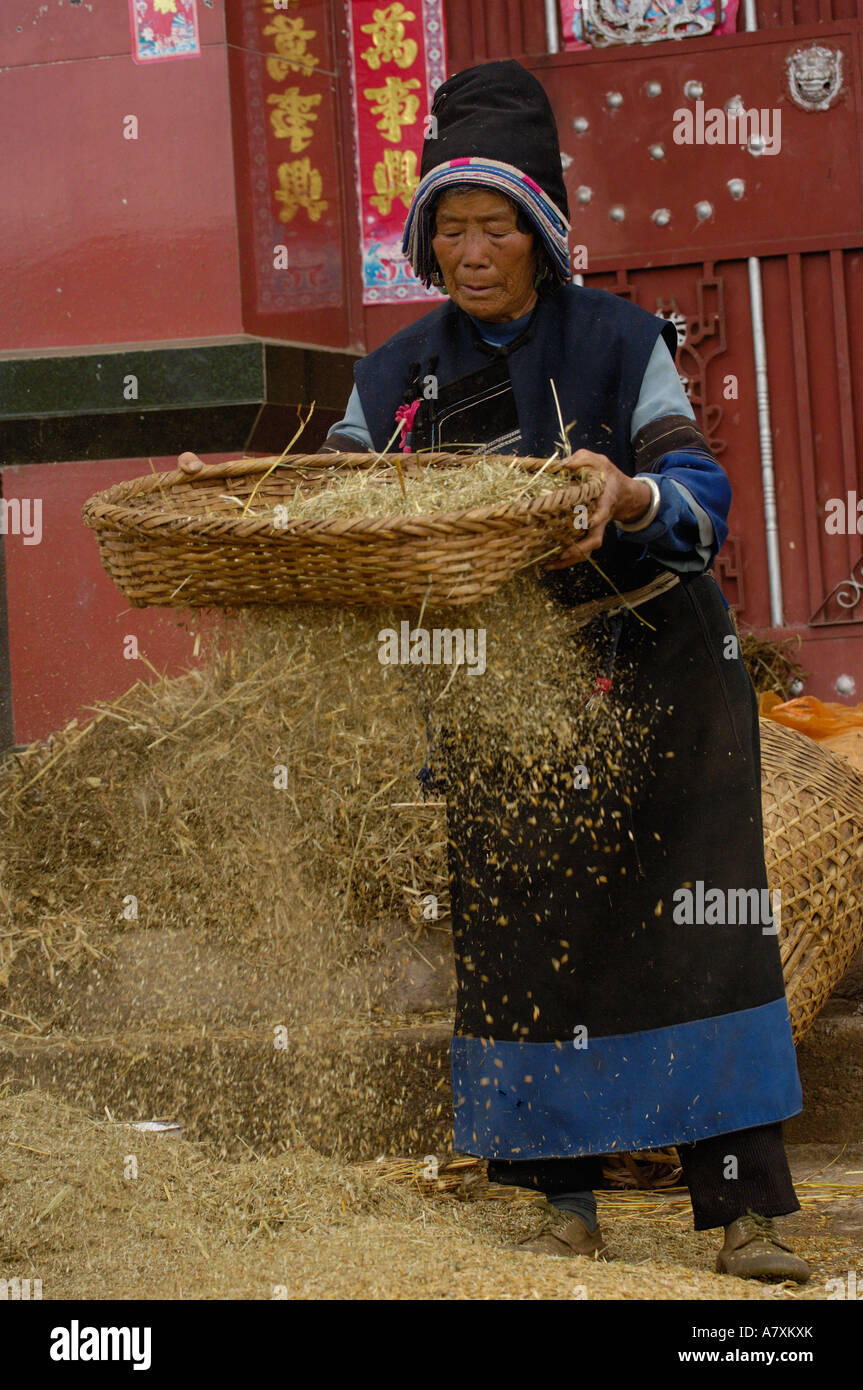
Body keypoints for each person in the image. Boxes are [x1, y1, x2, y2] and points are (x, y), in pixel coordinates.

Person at [180, 59, 811, 1281]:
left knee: (705, 930)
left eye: (497, 226)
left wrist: (627, 491)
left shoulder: (625, 343)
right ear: (426, 241)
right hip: (493, 689)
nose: (473, 251)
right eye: (451, 228)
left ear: (542, 233)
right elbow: (337, 504)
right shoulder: (398, 376)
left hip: (658, 672)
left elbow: (697, 489)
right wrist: (251, 499)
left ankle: (741, 1215)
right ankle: (555, 1203)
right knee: (528, 936)